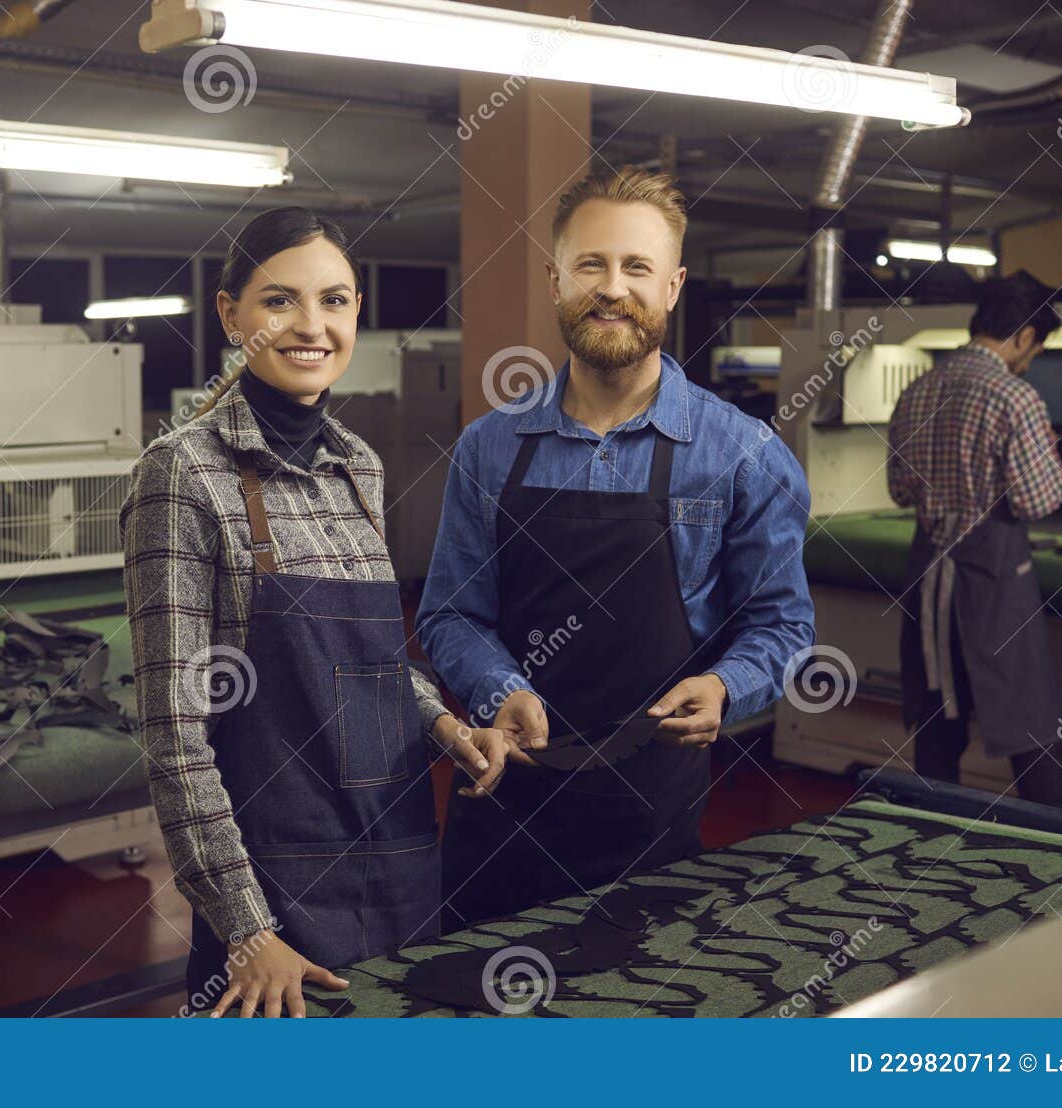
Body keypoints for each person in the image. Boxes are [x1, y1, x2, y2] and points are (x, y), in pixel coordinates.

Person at [121, 207, 513, 1017]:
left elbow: (370, 666)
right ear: (231, 314)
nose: (311, 326)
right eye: (279, 301)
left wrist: (446, 727)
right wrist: (244, 930)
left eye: (334, 301)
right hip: (275, 897)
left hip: (400, 861)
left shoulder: (356, 467)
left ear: (357, 312)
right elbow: (174, 734)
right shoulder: (183, 475)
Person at [417, 166, 815, 928]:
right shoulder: (490, 447)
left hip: (650, 813)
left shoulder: (741, 454)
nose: (613, 287)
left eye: (637, 267)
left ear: (673, 286)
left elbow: (783, 625)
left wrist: (728, 686)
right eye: (591, 264)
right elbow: (450, 616)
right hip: (503, 800)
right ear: (555, 279)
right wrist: (504, 690)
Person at [886, 272, 1062, 808]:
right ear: (1022, 336)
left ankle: (927, 849)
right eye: (1035, 346)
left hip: (927, 580)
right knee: (1031, 729)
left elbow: (900, 491)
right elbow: (1038, 501)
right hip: (994, 585)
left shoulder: (917, 392)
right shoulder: (1016, 398)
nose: (1031, 358)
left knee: (938, 730)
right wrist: (1047, 453)